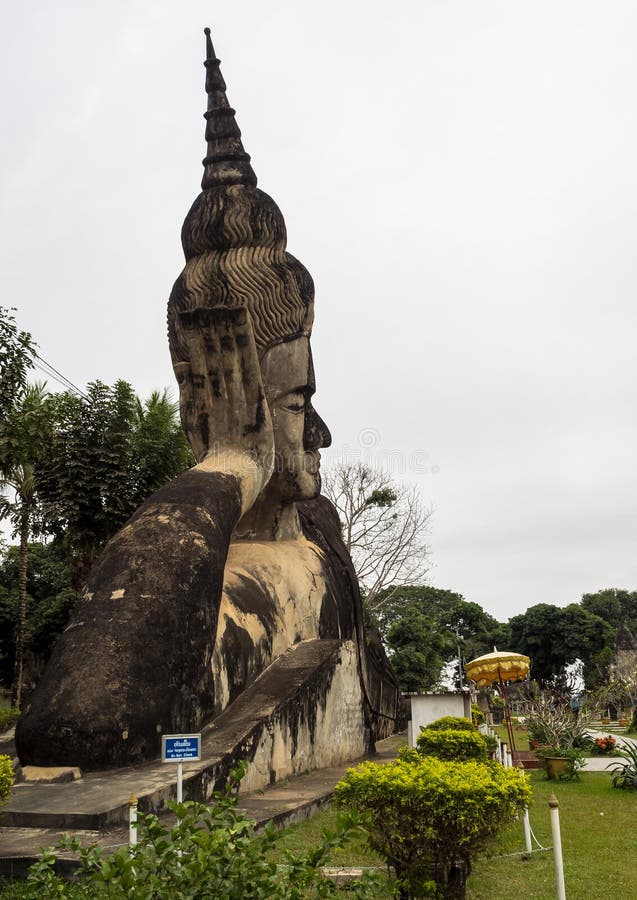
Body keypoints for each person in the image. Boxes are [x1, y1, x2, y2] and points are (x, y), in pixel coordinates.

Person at [16, 30, 398, 773]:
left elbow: (379, 704)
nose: (317, 427)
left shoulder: (317, 536)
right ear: (217, 403)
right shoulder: (218, 571)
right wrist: (228, 466)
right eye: (294, 403)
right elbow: (89, 724)